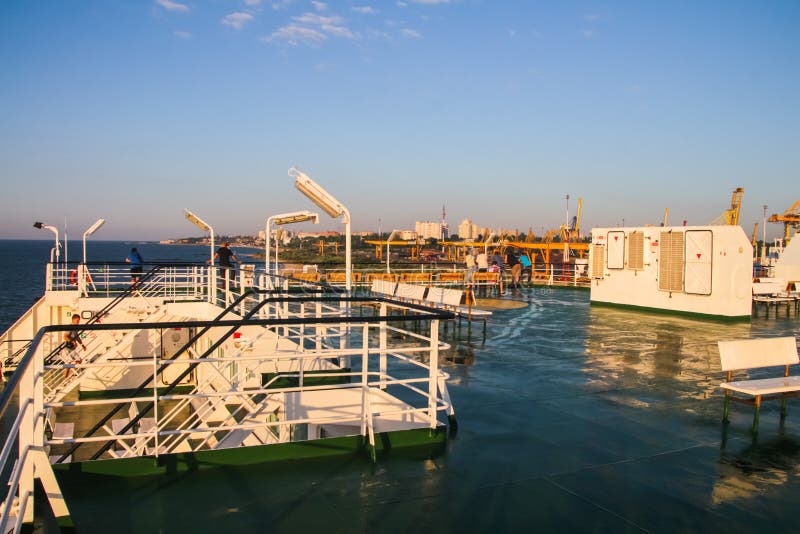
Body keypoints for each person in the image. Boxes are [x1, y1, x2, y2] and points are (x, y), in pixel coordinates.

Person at [62, 313, 85, 379]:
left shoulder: (75, 328)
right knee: (69, 363)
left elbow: (77, 337)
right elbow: (65, 336)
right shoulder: (70, 327)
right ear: (73, 320)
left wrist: (82, 345)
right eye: (77, 321)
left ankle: (70, 374)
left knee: (79, 360)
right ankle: (66, 377)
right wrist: (72, 341)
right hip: (67, 347)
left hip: (72, 347)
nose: (78, 322)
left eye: (79, 321)